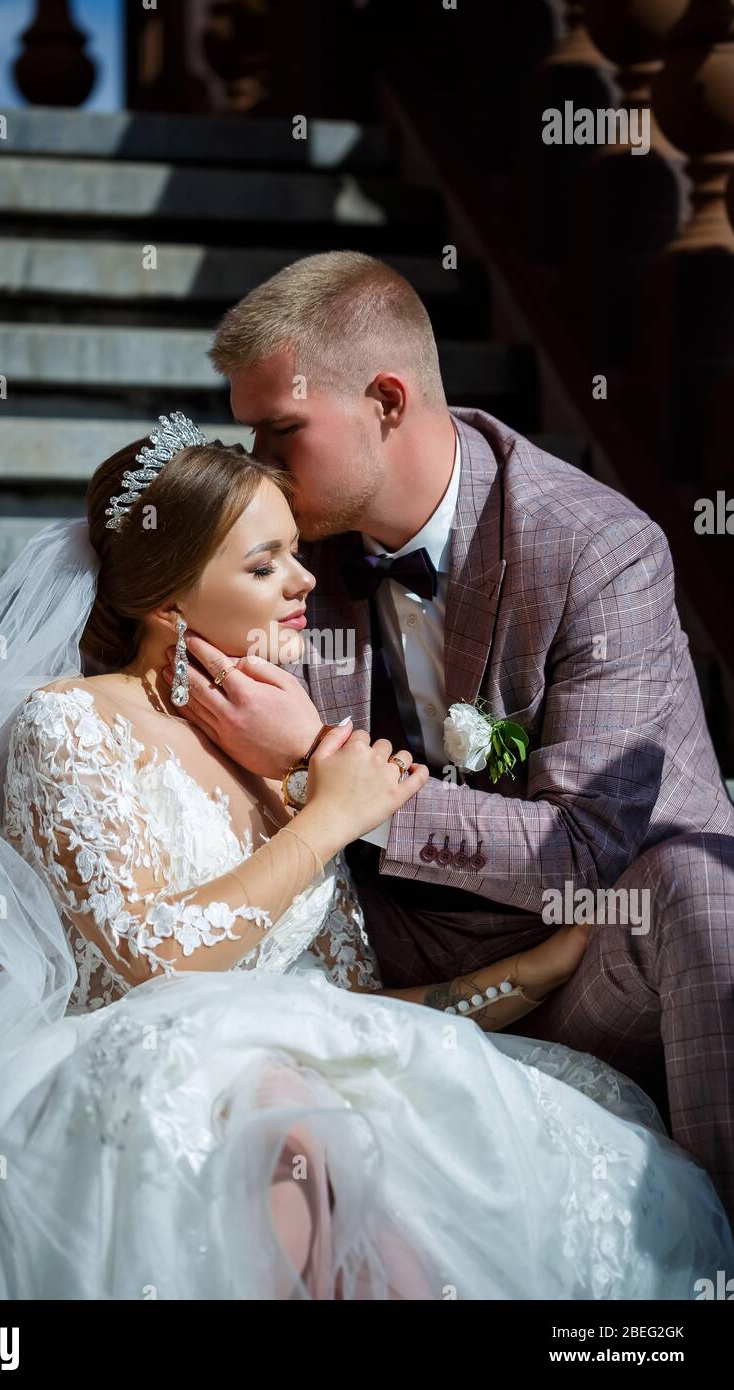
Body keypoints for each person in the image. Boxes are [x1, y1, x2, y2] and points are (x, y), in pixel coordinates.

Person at [0, 415, 730, 1301]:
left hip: (312, 1054)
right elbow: (150, 955)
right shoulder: (71, 723)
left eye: (293, 551)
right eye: (264, 563)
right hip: (157, 1056)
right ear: (168, 603)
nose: (305, 579)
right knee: (297, 1134)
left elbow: (352, 1005)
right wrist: (329, 818)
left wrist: (528, 974)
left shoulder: (268, 747)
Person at [156, 250, 734, 1222]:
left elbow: (580, 851)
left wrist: (322, 764)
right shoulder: (289, 554)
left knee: (703, 880)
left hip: (592, 950)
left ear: (386, 399)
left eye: (279, 429)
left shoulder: (597, 548)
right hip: (393, 957)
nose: (256, 462)